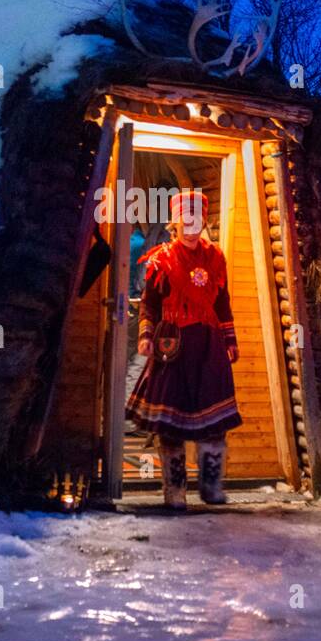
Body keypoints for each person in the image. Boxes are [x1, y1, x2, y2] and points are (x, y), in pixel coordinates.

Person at [126, 189, 241, 509]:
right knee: (171, 425)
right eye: (186, 219)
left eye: (197, 218)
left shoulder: (216, 258)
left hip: (208, 347)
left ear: (203, 221)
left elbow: (222, 302)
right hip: (172, 346)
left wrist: (230, 340)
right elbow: (149, 304)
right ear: (176, 222)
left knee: (215, 420)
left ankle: (210, 485)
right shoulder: (161, 259)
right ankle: (174, 490)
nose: (191, 225)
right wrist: (146, 336)